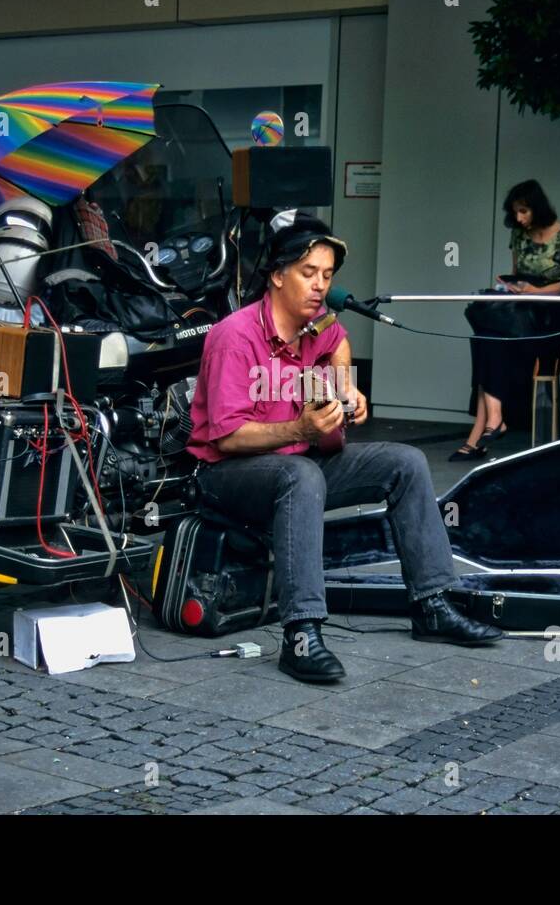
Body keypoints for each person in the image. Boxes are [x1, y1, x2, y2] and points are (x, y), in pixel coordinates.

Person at [186, 211, 503, 684]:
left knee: (406, 462)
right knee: (301, 474)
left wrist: (347, 388)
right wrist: (300, 429)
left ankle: (432, 605)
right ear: (276, 276)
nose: (320, 286)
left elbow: (339, 343)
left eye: (328, 276)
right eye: (308, 273)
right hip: (227, 476)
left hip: (298, 463)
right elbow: (227, 436)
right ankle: (301, 633)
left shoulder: (319, 325)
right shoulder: (235, 337)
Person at [454, 180, 560, 461]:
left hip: (550, 313)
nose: (519, 218)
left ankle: (483, 430)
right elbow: (515, 271)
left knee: (487, 338)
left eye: (524, 211)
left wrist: (537, 292)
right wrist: (510, 285)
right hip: (520, 310)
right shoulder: (520, 235)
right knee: (486, 339)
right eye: (516, 212)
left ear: (537, 208)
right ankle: (493, 420)